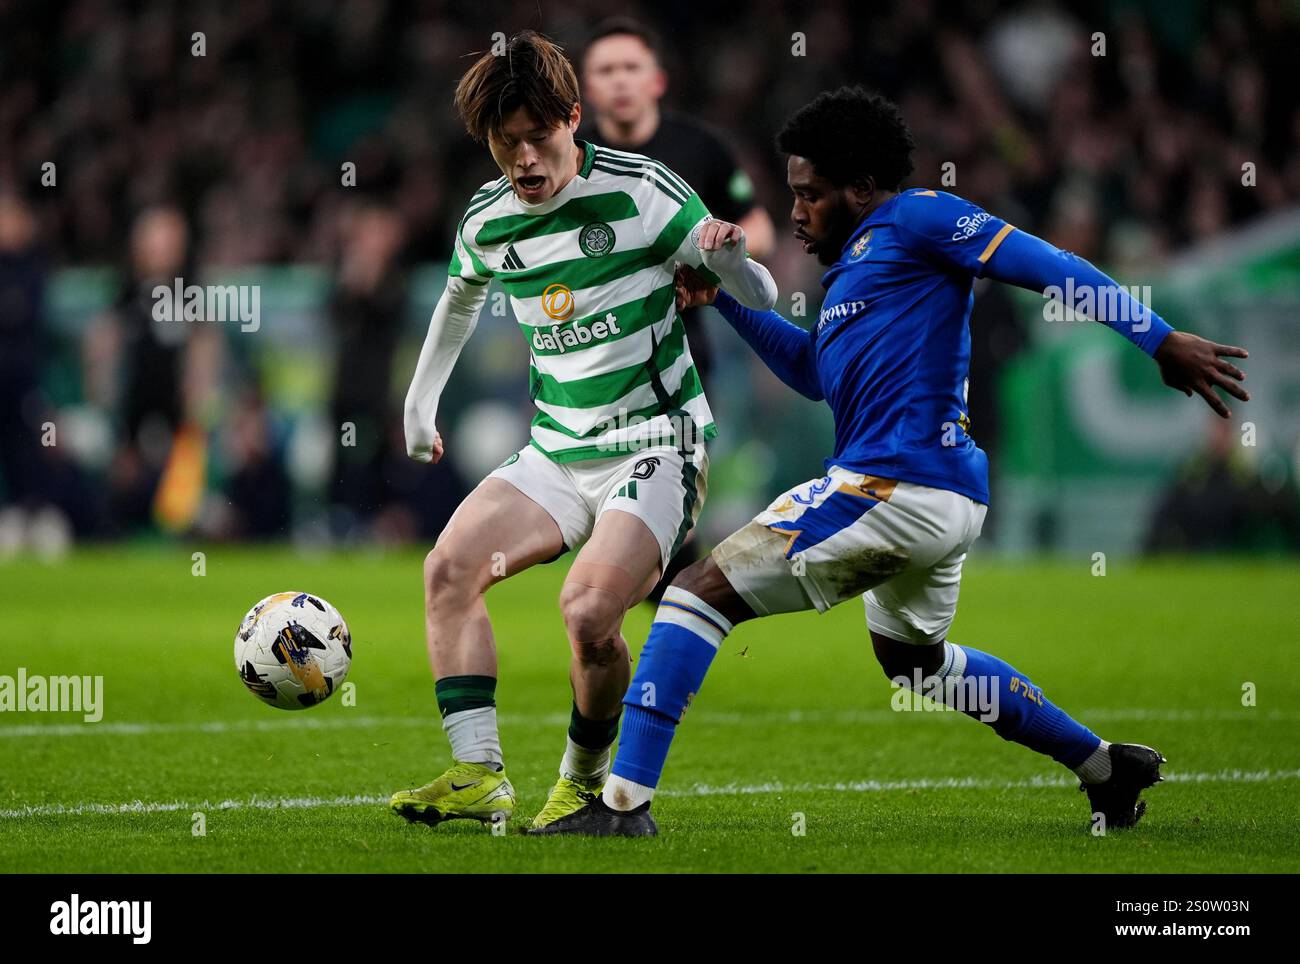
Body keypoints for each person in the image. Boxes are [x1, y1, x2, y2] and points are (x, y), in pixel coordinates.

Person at [533, 87, 1250, 837]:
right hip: (938, 500)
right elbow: (815, 373)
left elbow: (1051, 266)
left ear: (864, 187)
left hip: (895, 484)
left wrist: (1159, 338)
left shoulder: (918, 216)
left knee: (695, 594)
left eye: (810, 195)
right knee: (917, 665)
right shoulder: (854, 274)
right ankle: (1106, 767)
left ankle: (621, 805)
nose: (797, 212)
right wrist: (726, 301)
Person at [388, 31, 777, 830]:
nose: (524, 160)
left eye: (537, 138)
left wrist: (732, 260)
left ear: (573, 118)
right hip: (559, 451)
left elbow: (763, 295)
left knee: (589, 614)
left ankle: (582, 780)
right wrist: (419, 404)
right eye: (505, 146)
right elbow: (460, 299)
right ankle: (478, 773)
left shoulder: (645, 191)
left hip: (657, 445)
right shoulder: (491, 218)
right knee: (448, 571)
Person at [579, 16, 776, 602]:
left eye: (630, 68)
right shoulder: (570, 158)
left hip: (678, 354)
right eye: (606, 71)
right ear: (587, 88)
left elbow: (759, 227)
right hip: (590, 356)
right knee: (603, 505)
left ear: (657, 80)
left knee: (666, 508)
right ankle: (660, 618)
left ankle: (666, 619)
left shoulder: (701, 147)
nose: (619, 81)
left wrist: (718, 252)